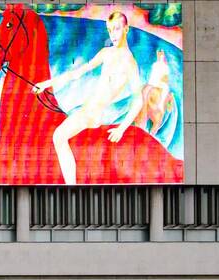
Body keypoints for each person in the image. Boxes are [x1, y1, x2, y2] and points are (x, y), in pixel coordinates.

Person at [31, 10, 144, 185]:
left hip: (92, 115)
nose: (113, 34)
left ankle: (71, 186)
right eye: (109, 30)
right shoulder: (107, 53)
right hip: (86, 110)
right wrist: (46, 84)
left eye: (117, 29)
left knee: (58, 137)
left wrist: (122, 128)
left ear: (126, 29)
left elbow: (139, 100)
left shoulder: (130, 63)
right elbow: (78, 73)